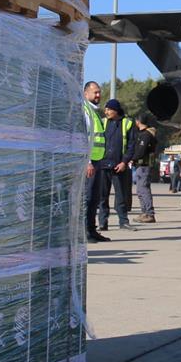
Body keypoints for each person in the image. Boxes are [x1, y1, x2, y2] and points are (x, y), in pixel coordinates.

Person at [82, 82, 111, 242]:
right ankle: (85, 231)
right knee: (88, 197)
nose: (98, 95)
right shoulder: (85, 111)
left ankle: (92, 230)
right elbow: (82, 137)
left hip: (98, 161)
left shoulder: (95, 113)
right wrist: (87, 162)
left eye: (99, 92)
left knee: (95, 198)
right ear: (86, 94)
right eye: (95, 92)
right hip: (90, 162)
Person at [97, 99, 131, 231]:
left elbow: (131, 145)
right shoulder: (102, 122)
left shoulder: (127, 123)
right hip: (103, 165)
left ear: (116, 110)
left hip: (119, 166)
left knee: (121, 196)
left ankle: (123, 221)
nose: (106, 112)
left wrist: (124, 162)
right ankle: (102, 222)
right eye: (105, 109)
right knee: (102, 196)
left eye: (109, 109)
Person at [130, 115, 158, 223]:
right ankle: (144, 212)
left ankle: (149, 213)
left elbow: (141, 150)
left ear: (138, 122)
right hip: (141, 165)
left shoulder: (146, 135)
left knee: (143, 190)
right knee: (140, 190)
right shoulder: (143, 134)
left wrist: (132, 159)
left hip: (143, 165)